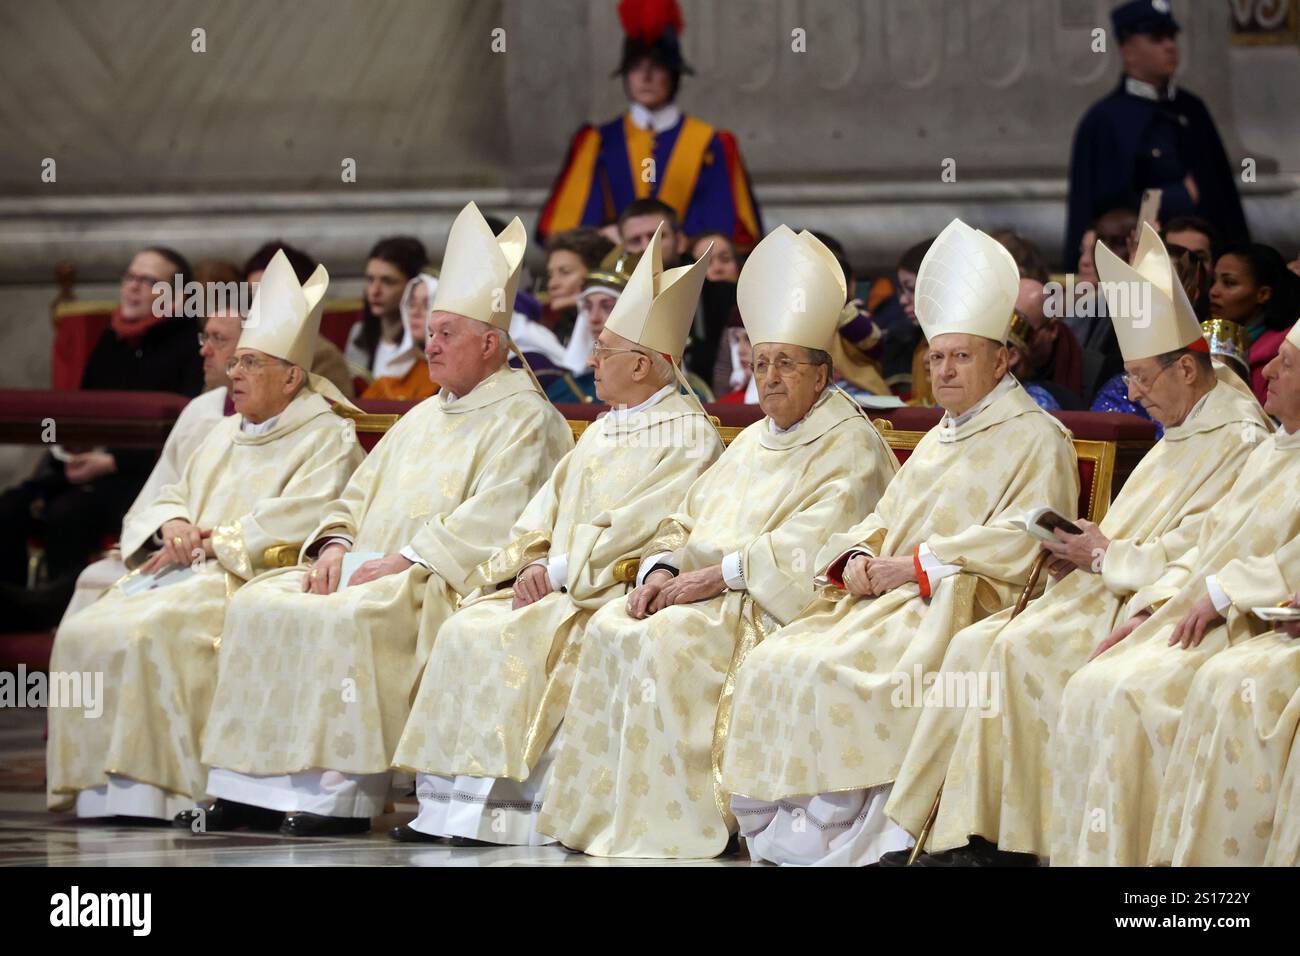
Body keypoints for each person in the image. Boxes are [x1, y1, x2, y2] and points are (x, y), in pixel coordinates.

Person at [885, 224, 1270, 867]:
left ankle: (1016, 842)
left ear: (1186, 367)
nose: (1134, 395)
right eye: (1129, 377)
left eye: (1144, 379)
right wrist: (1083, 550)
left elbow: (1209, 549)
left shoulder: (1240, 438)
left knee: (1015, 649)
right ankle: (954, 830)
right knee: (982, 643)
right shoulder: (1181, 425)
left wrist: (1106, 556)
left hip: (1149, 603)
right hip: (1106, 584)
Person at [191, 203, 573, 837]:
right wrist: (336, 544)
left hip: (431, 580)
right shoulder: (423, 414)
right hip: (367, 564)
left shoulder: (528, 419)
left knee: (351, 616)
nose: (431, 342)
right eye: (431, 331)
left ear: (489, 342)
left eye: (448, 333)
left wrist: (408, 559)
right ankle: (250, 786)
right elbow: (355, 494)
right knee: (261, 601)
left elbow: (505, 516)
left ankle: (332, 799)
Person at [719, 218, 1078, 867]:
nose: (942, 371)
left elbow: (1030, 540)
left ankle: (879, 828)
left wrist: (917, 568)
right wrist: (854, 557)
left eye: (960, 357)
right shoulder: (941, 436)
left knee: (836, 666)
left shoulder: (1037, 435)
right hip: (891, 593)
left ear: (1003, 359)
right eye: (935, 357)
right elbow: (880, 516)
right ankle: (806, 820)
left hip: (961, 600)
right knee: (779, 657)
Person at [536, 225, 899, 858]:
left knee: (670, 641)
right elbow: (684, 520)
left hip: (765, 604)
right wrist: (658, 570)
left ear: (822, 373)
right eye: (761, 363)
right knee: (616, 627)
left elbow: (816, 545)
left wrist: (719, 576)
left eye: (787, 364)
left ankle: (685, 819)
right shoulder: (754, 439)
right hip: (706, 592)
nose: (771, 379)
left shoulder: (851, 444)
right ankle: (611, 817)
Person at [390, 225, 723, 845]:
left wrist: (562, 572)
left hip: (598, 590)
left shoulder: (686, 434)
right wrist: (528, 562)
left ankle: (514, 818)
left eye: (604, 351)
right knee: (467, 625)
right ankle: (448, 810)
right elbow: (540, 511)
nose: (590, 361)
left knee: (523, 634)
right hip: (553, 582)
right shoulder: (600, 429)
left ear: (644, 365)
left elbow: (646, 527)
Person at [45, 250, 365, 822]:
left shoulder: (326, 435)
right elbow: (171, 491)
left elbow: (312, 517)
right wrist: (171, 524)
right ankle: (100, 787)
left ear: (291, 375)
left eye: (248, 363)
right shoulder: (221, 431)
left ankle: (163, 787)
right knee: (85, 629)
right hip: (180, 568)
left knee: (150, 631)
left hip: (236, 578)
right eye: (233, 360)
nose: (232, 374)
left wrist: (217, 541)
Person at [1050, 318, 1300, 866]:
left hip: (1252, 620)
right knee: (1094, 683)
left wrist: (1223, 591)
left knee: (1128, 694)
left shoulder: (1242, 437)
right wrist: (1153, 607)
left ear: (1184, 370)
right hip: (1193, 605)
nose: (1267, 371)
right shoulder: (1273, 451)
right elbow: (1207, 545)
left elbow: (1274, 562)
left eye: (1287, 362)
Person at [0, 246, 202, 616]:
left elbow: (187, 431)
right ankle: (12, 613)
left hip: (144, 476)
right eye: (129, 277)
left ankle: (63, 618)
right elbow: (84, 410)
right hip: (86, 466)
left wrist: (110, 461)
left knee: (68, 512)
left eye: (148, 281)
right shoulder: (112, 339)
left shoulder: (191, 344)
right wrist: (71, 450)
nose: (133, 288)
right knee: (10, 505)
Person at [50, 309, 243, 626]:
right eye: (204, 336)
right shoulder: (201, 411)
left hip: (229, 563)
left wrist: (206, 544)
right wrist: (171, 521)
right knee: (93, 582)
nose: (203, 350)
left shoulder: (297, 421)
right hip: (175, 554)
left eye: (218, 339)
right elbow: (162, 491)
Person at [537, 0, 762, 252]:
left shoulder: (710, 144)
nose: (645, 77)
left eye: (656, 67)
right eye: (635, 68)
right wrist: (605, 237)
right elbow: (565, 231)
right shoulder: (599, 142)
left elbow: (731, 231)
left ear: (673, 74)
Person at [1063, 0, 1248, 271]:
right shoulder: (1105, 120)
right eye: (1156, 38)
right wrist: (1178, 198)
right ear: (1128, 50)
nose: (1170, 46)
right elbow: (1103, 211)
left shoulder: (1192, 110)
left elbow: (1224, 202)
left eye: (1171, 36)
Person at [243, 241, 356, 400]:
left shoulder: (323, 356)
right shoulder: (239, 350)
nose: (257, 305)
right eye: (252, 295)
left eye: (269, 293)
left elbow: (332, 418)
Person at [545, 246, 639, 403]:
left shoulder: (663, 388)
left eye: (607, 306)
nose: (593, 318)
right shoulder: (564, 390)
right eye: (588, 307)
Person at [1208, 243, 1300, 404]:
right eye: (1213, 281)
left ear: (1263, 294)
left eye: (1229, 283)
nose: (1214, 291)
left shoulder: (1285, 349)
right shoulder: (1206, 332)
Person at [344, 236, 429, 379]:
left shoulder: (425, 339)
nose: (374, 291)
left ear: (412, 286)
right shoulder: (358, 333)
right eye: (370, 280)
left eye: (388, 282)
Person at [361, 273, 440, 401]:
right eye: (412, 304)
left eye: (426, 305)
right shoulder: (398, 368)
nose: (415, 312)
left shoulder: (446, 377)